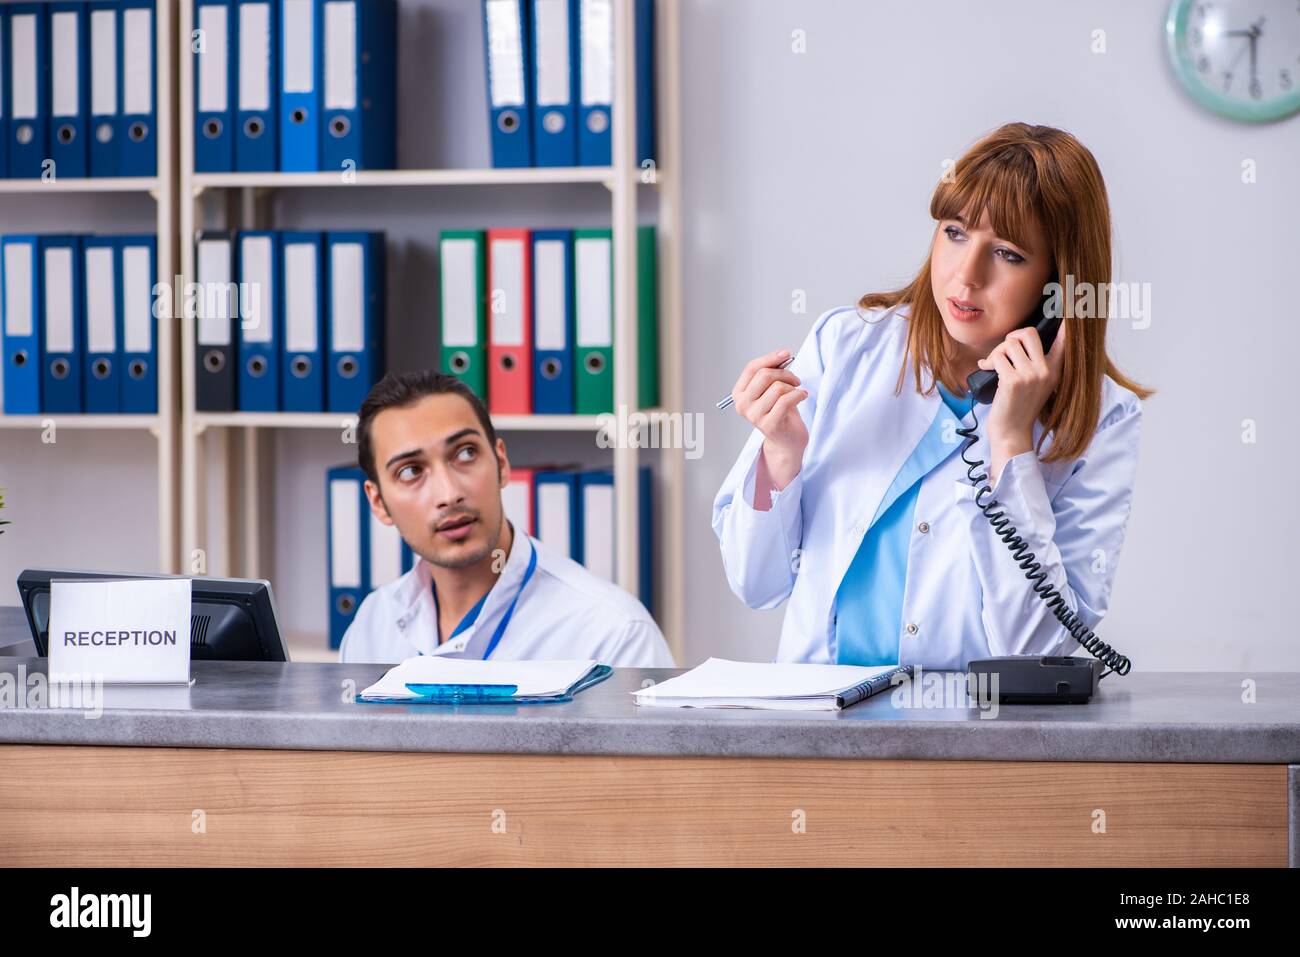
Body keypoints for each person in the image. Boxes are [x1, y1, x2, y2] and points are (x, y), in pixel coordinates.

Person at [712, 122, 1154, 673]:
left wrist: (1012, 444)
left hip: (970, 744)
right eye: (955, 232)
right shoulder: (845, 346)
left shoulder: (1102, 418)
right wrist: (780, 454)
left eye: (1009, 254)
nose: (966, 276)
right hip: (820, 727)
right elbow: (757, 585)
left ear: (1059, 284)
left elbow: (1039, 652)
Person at [339, 370, 674, 667]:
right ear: (379, 502)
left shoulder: (613, 635)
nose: (449, 493)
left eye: (465, 453)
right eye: (411, 471)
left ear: (501, 463)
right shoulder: (372, 626)